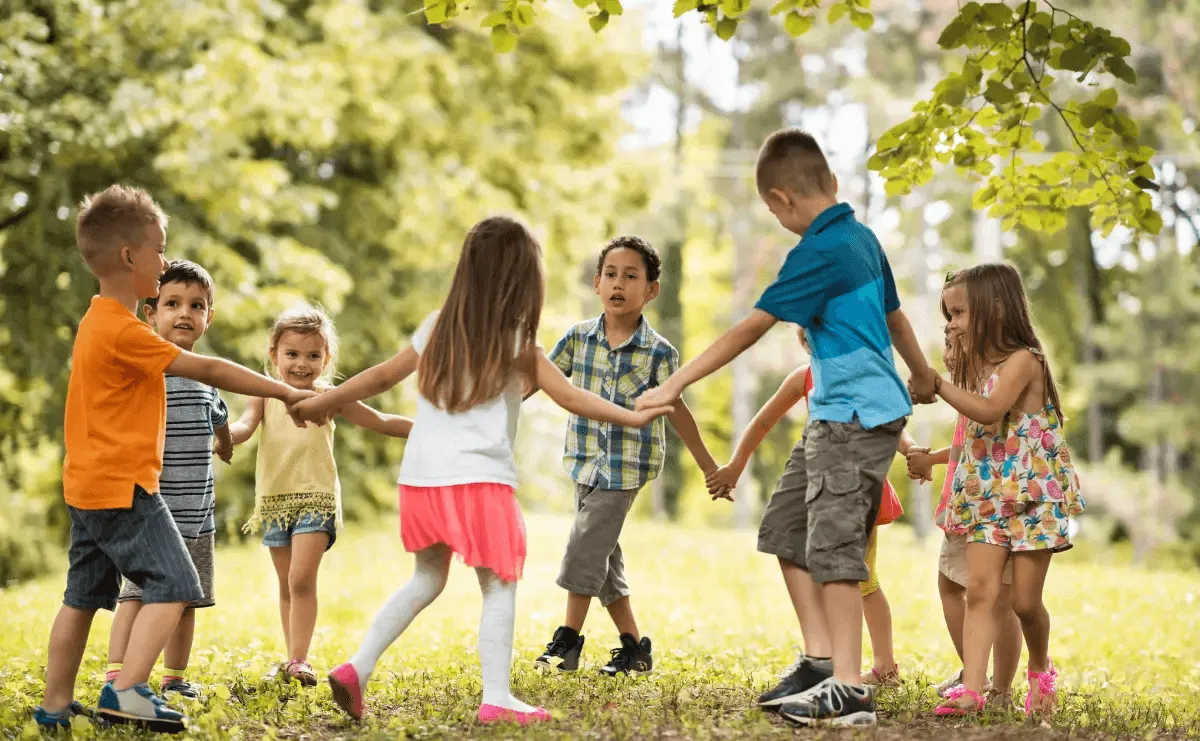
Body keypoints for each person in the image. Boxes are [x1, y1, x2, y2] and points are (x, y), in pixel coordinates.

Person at [288, 216, 674, 725]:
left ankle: (358, 667)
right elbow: (572, 397)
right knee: (500, 585)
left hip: (421, 478)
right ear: (522, 278)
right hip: (480, 482)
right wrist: (633, 413)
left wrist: (325, 400)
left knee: (426, 576)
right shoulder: (518, 340)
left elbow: (381, 376)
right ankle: (497, 697)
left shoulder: (437, 325)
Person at [636, 128, 937, 726]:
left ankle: (850, 689)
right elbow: (895, 316)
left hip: (856, 416)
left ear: (781, 201)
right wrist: (922, 372)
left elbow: (750, 327)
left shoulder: (820, 251)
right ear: (828, 182)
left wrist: (674, 385)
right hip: (835, 414)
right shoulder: (862, 238)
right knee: (786, 526)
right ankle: (822, 662)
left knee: (834, 545)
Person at [34, 185, 312, 733]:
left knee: (81, 599)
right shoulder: (123, 331)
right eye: (159, 251)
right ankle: (127, 690)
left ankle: (56, 704)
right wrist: (284, 392)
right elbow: (206, 370)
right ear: (130, 258)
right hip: (123, 488)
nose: (163, 262)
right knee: (178, 584)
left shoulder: (100, 323)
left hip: (87, 487)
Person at [533, 236, 724, 678]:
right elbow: (542, 381)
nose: (619, 284)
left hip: (626, 467)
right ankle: (634, 647)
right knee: (604, 556)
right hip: (583, 460)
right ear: (597, 283)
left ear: (651, 290)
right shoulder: (578, 338)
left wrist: (708, 465)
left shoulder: (660, 352)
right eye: (611, 275)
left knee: (585, 545)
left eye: (631, 276)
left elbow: (677, 409)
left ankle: (567, 639)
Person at [915, 264, 1085, 717]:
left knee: (1026, 602)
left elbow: (990, 412)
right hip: (987, 498)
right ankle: (973, 689)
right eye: (947, 315)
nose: (950, 323)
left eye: (957, 313)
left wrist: (941, 384)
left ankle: (1041, 668)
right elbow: (972, 431)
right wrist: (945, 375)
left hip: (1032, 498)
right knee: (980, 590)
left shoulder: (1025, 360)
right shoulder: (975, 368)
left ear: (993, 308)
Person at [705, 327, 912, 690]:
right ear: (805, 342)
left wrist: (912, 452)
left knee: (862, 579)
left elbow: (890, 424)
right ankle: (827, 656)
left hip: (858, 485)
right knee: (822, 571)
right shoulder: (803, 377)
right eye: (811, 336)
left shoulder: (862, 375)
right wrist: (736, 465)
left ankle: (884, 665)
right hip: (818, 481)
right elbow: (763, 421)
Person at [228, 305, 412, 686]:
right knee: (285, 584)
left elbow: (379, 421)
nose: (301, 363)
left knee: (300, 579)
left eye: (313, 355)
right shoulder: (262, 394)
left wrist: (430, 429)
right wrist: (220, 435)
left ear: (326, 359)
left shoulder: (331, 396)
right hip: (275, 502)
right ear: (273, 355)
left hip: (317, 498)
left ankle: (299, 660)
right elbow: (245, 428)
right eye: (291, 354)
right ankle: (292, 657)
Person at [105, 260, 234, 700]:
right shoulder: (147, 369)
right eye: (172, 303)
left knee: (188, 598)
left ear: (208, 317)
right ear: (150, 313)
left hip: (197, 514)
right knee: (135, 596)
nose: (184, 313)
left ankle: (174, 676)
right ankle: (116, 672)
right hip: (150, 513)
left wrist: (228, 443)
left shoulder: (207, 376)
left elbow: (220, 422)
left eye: (196, 305)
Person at [905, 330, 1023, 706]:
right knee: (951, 584)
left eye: (956, 341)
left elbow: (994, 429)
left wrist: (938, 383)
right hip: (968, 503)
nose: (947, 351)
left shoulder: (1002, 377)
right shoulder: (973, 385)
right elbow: (967, 442)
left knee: (999, 598)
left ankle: (998, 687)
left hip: (995, 505)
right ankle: (977, 673)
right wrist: (932, 460)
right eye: (946, 340)